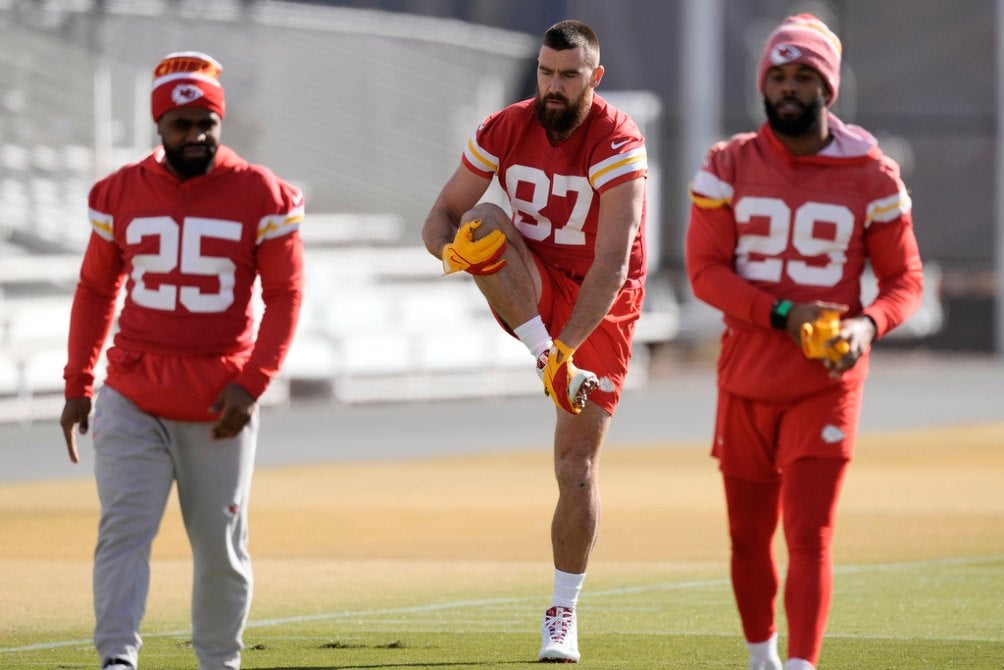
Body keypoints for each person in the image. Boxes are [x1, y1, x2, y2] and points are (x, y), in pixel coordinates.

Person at [685, 14, 924, 670]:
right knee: (746, 538)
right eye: (779, 75)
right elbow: (704, 272)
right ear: (764, 83)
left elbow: (905, 280)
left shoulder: (871, 173)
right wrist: (785, 313)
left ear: (830, 88)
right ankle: (763, 660)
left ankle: (802, 666)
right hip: (746, 377)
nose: (789, 88)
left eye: (805, 76)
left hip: (826, 381)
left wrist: (865, 324)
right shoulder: (726, 163)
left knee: (810, 537)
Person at [59, 51, 304, 670]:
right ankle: (117, 657)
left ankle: (218, 662)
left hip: (218, 401)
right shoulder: (120, 191)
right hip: (133, 394)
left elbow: (285, 296)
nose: (195, 135)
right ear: (158, 127)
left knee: (221, 547)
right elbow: (95, 290)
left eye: (205, 123)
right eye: (181, 125)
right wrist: (78, 383)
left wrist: (252, 385)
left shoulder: (262, 193)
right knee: (123, 532)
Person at [422, 19, 647, 663]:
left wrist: (572, 348)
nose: (553, 86)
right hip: (537, 290)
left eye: (569, 75)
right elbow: (438, 217)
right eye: (546, 72)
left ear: (594, 78)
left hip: (602, 305)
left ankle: (562, 612)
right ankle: (542, 354)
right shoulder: (505, 126)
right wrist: (453, 251)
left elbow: (610, 266)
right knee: (483, 220)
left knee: (574, 469)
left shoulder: (617, 139)